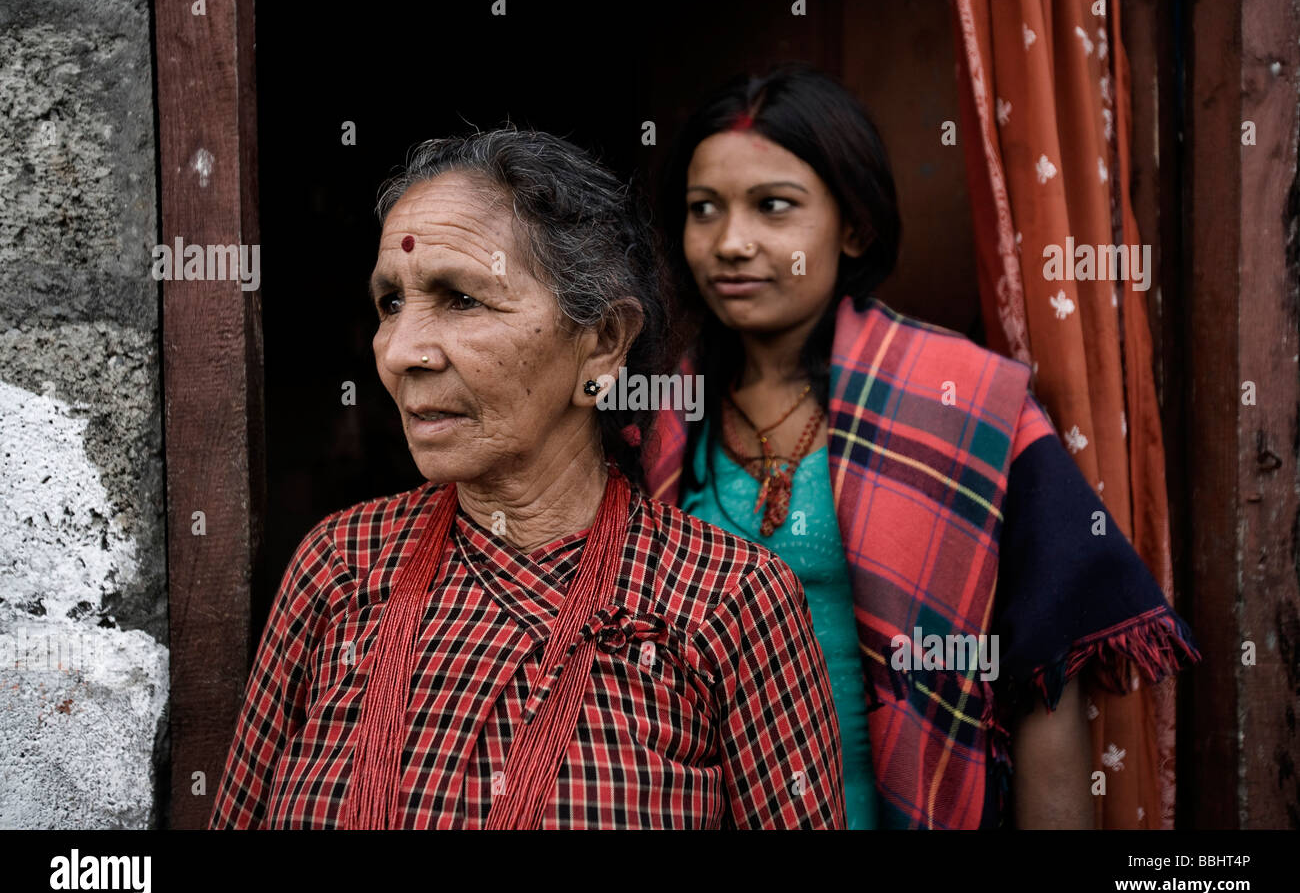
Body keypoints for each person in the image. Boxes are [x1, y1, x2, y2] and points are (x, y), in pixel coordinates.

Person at [208, 126, 846, 829]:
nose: (402, 351)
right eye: (391, 302)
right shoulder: (341, 566)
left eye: (461, 299)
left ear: (603, 342)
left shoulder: (727, 600)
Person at [643, 65, 1201, 829]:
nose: (731, 242)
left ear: (854, 226)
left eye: (774, 207)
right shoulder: (662, 423)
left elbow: (1047, 679)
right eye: (703, 210)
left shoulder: (962, 402)